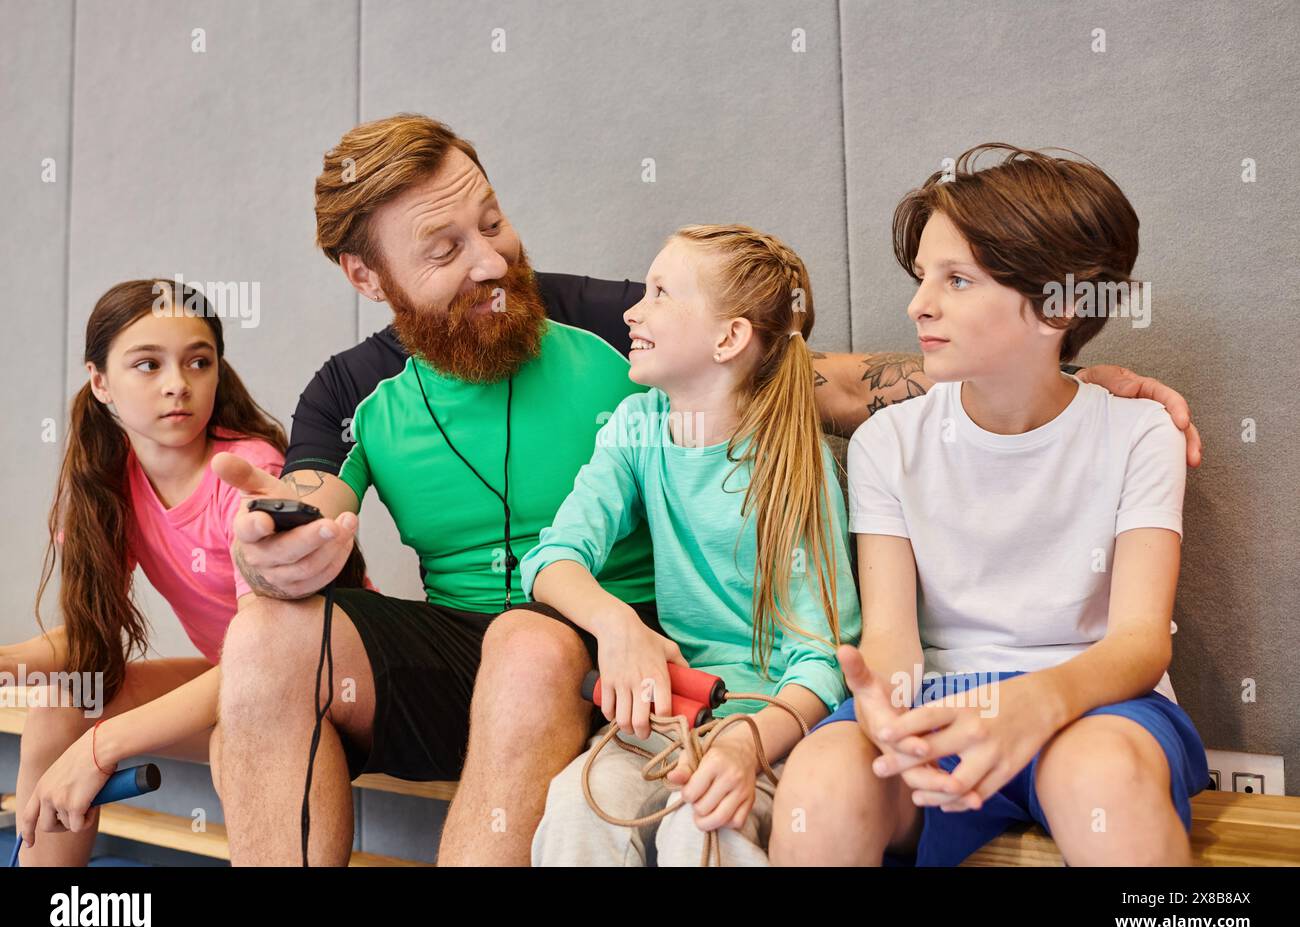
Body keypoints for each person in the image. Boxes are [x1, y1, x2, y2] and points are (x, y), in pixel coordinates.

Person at [211, 113, 1205, 865]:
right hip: (476, 652)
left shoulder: (612, 330)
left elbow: (826, 378)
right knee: (265, 630)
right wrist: (277, 532)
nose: (491, 259)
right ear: (364, 274)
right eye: (443, 249)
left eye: (492, 220)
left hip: (632, 671)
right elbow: (305, 495)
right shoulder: (351, 389)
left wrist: (1066, 366)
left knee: (527, 645)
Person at [769, 144, 1209, 867]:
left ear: (1061, 304)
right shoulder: (888, 445)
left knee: (1102, 776)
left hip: (1097, 702)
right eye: (921, 278)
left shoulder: (1138, 432)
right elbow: (892, 640)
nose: (919, 304)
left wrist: (1038, 702)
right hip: (938, 699)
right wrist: (885, 707)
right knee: (821, 781)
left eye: (958, 280)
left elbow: (1139, 641)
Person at [526, 225, 861, 865]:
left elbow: (823, 661)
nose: (633, 310)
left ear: (728, 338)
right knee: (575, 804)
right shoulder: (636, 427)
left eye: (660, 293)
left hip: (769, 730)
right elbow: (551, 558)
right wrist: (618, 625)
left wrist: (748, 745)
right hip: (667, 723)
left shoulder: (793, 464)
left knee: (702, 826)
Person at [2, 279, 286, 865]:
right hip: (231, 680)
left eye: (197, 362)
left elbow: (274, 658)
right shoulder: (111, 478)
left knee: (239, 739)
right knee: (65, 705)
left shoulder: (247, 473)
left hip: (307, 681)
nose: (177, 383)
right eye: (148, 364)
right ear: (100, 381)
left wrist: (102, 749)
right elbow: (91, 634)